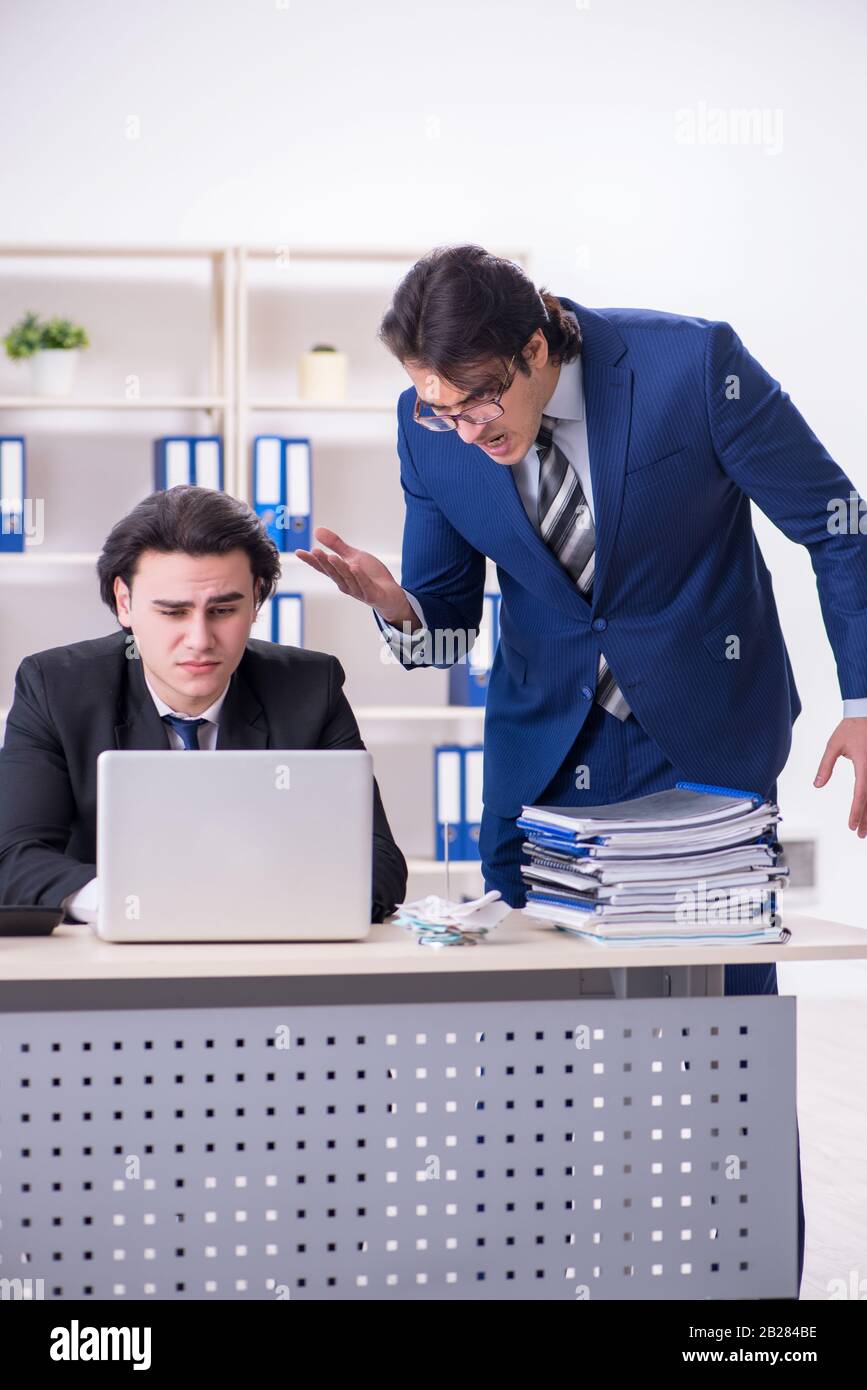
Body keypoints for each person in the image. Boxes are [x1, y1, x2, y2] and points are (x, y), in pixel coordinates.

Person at [297, 244, 867, 1288]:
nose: (468, 429)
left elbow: (840, 525)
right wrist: (395, 609)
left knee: (723, 1056)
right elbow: (449, 631)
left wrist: (865, 702)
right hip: (542, 757)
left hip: (701, 739)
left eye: (478, 401)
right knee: (527, 1054)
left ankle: (752, 1308)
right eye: (440, 410)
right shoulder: (427, 429)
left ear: (536, 342)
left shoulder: (692, 366)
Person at [0, 484, 407, 924]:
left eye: (223, 611)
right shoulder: (56, 687)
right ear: (125, 603)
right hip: (107, 963)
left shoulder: (310, 687)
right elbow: (14, 859)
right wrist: (129, 902)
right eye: (173, 612)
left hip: (269, 957)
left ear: (256, 599)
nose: (200, 640)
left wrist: (233, 905)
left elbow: (378, 863)